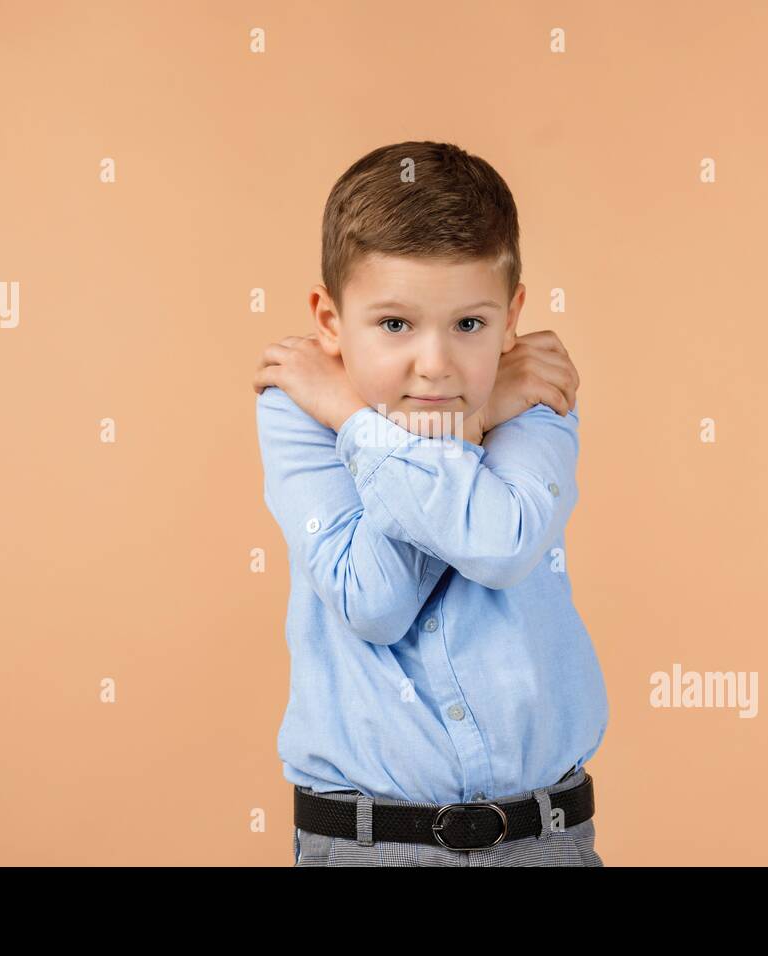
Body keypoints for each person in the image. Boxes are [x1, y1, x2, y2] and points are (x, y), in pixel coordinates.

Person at [252, 141, 609, 865]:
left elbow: (502, 544)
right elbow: (374, 602)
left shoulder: (536, 395)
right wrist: (469, 426)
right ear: (329, 319)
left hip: (540, 838)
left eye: (469, 325)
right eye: (395, 325)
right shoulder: (299, 410)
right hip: (367, 842)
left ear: (512, 317)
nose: (437, 364)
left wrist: (365, 425)